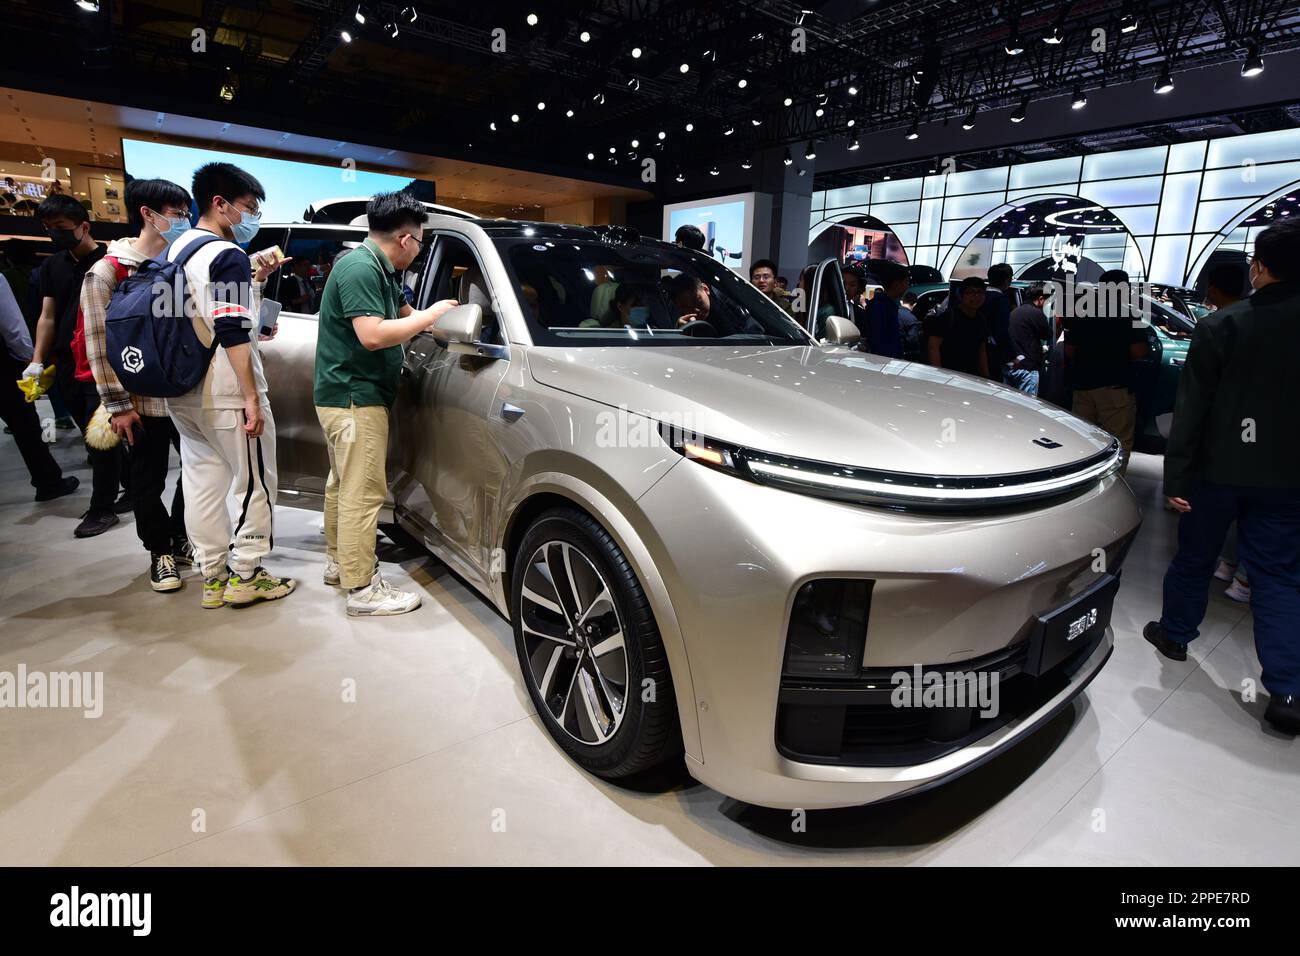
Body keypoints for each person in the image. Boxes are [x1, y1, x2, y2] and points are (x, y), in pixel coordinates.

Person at [1144, 219, 1300, 735]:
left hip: (1216, 471)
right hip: (1287, 479)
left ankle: (1174, 634)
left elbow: (1191, 412)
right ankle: (1288, 691)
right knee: (1278, 577)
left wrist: (1178, 479)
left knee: (1195, 556)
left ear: (1258, 266)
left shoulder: (1221, 326)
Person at [314, 191, 459, 616]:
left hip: (348, 394)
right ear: (404, 239)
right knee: (363, 492)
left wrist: (434, 322)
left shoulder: (378, 268)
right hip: (354, 397)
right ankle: (362, 588)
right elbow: (373, 335)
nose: (418, 251)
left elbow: (404, 314)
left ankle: (341, 565)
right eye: (419, 243)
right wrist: (431, 315)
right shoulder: (360, 268)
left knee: (342, 485)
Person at [167, 162, 294, 609]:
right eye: (248, 208)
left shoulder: (178, 250)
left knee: (201, 481)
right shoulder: (225, 255)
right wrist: (250, 396)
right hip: (223, 387)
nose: (252, 218)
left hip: (181, 389)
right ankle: (248, 574)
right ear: (220, 204)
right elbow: (233, 329)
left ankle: (214, 576)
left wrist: (254, 284)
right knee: (254, 480)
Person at [81, 178, 194, 593]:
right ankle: (159, 550)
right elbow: (97, 343)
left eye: (185, 212)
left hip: (187, 395)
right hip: (140, 402)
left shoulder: (183, 262)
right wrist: (117, 404)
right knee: (147, 480)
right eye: (177, 212)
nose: (184, 220)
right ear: (148, 214)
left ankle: (182, 535)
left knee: (199, 472)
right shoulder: (107, 271)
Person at [23, 193, 125, 538]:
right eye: (49, 229)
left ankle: (102, 507)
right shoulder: (53, 266)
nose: (55, 235)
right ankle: (131, 486)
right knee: (90, 432)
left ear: (84, 226)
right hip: (67, 362)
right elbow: (48, 316)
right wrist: (37, 360)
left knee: (102, 438)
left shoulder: (113, 261)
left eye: (61, 228)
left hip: (105, 360)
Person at [0, 272, 78, 501]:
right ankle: (48, 481)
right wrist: (32, 358)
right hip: (3, 366)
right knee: (25, 426)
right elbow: (11, 325)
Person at [1063, 269, 1148, 473]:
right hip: (1114, 386)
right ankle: (1113, 487)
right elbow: (1138, 351)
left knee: (1082, 438)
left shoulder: (1081, 312)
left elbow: (1069, 350)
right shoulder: (1130, 314)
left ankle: (1081, 480)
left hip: (1083, 385)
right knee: (1119, 440)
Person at [925, 276, 990, 377]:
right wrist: (938, 375)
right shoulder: (948, 317)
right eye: (970, 292)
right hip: (948, 375)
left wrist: (986, 377)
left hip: (972, 376)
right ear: (961, 296)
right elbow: (933, 347)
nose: (976, 296)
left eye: (979, 292)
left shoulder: (981, 319)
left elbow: (981, 349)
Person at [1005, 282, 1054, 396]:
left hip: (1012, 365)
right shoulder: (1036, 313)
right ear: (1041, 299)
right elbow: (1048, 334)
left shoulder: (1015, 312)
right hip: (1028, 369)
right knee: (1027, 405)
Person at [860, 260, 908, 359]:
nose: (907, 286)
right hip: (883, 364)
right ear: (896, 284)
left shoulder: (885, 304)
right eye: (905, 282)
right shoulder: (880, 306)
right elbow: (879, 341)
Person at [984, 262, 1016, 379]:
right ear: (1007, 280)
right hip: (994, 355)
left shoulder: (981, 296)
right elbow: (1002, 331)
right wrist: (1012, 356)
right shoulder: (1001, 300)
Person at [898, 290, 922, 361]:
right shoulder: (912, 319)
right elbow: (912, 340)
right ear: (914, 304)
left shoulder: (893, 312)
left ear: (902, 302)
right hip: (903, 355)